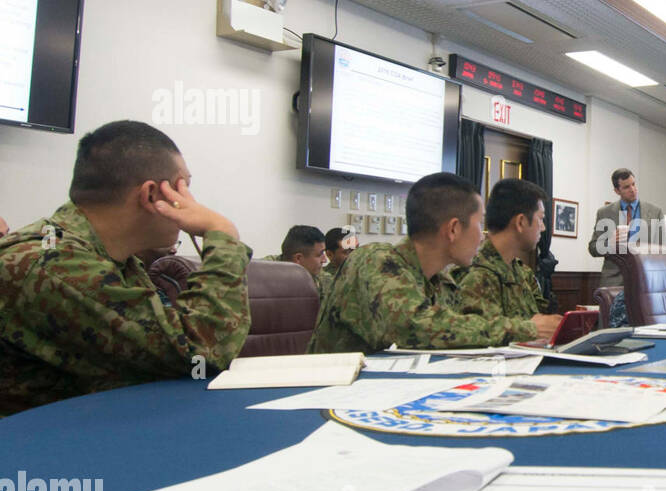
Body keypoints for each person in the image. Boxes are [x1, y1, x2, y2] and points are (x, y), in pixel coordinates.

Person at [0, 120, 250, 418]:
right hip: (39, 451)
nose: (192, 204)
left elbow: (163, 358)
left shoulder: (108, 257)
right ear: (151, 196)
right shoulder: (54, 264)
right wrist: (222, 233)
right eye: (184, 188)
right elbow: (203, 352)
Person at [310, 172, 560, 353]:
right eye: (479, 223)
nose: (483, 234)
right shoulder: (375, 261)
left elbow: (461, 333)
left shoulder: (442, 281)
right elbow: (414, 327)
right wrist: (527, 329)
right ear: (453, 229)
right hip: (327, 398)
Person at [456, 178, 549, 323]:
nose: (543, 228)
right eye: (541, 219)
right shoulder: (477, 276)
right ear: (521, 222)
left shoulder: (522, 273)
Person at [587, 168, 666, 287]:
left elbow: (663, 249)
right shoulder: (604, 213)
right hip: (614, 280)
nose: (633, 190)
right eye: (626, 187)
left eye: (633, 184)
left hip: (647, 278)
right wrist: (610, 244)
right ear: (616, 191)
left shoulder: (655, 212)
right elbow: (593, 248)